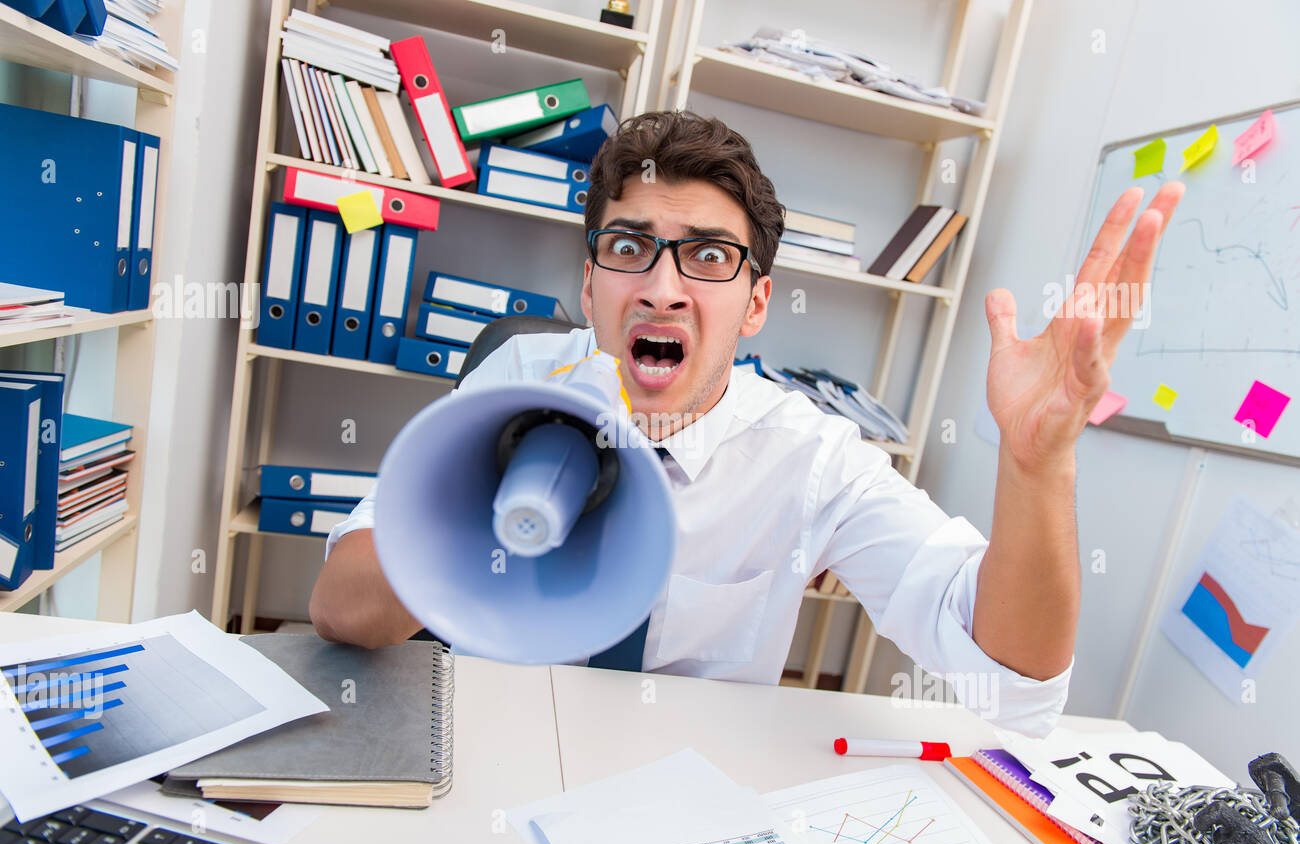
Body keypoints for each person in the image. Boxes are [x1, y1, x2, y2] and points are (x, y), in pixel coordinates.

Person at [309, 110, 1183, 736]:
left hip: (686, 789)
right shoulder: (517, 378)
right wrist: (477, 501)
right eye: (628, 247)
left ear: (757, 301)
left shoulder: (809, 455)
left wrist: (1037, 465)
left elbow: (1014, 690)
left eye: (710, 256)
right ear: (588, 288)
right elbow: (341, 611)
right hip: (484, 761)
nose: (661, 286)